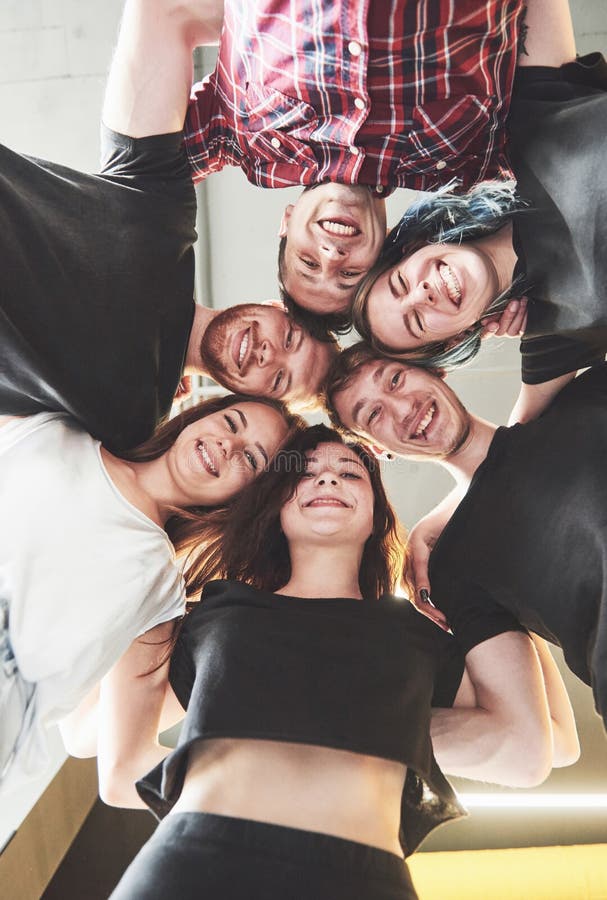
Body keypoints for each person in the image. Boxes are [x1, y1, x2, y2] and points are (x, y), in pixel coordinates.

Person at [71, 425, 577, 899]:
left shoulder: (420, 638)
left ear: (379, 512)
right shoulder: (209, 614)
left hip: (360, 876)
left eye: (350, 471)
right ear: (277, 507)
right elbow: (110, 762)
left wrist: (465, 584)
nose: (328, 477)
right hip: (196, 860)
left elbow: (544, 746)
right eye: (305, 474)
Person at [0, 0, 335, 455]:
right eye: (290, 338)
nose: (267, 353)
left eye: (278, 379)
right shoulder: (162, 209)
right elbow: (165, 11)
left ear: (254, 399)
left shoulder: (128, 429)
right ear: (276, 306)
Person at [0, 394, 301, 789]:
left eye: (251, 459)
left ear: (246, 500)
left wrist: (278, 789)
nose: (229, 444)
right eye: (231, 423)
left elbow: (114, 758)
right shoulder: (57, 431)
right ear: (201, 414)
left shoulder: (160, 590)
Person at [184, 0, 526, 323]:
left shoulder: (235, 133)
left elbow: (140, 180)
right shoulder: (471, 160)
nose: (332, 257)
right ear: (386, 244)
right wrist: (509, 290)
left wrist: (175, 348)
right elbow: (560, 182)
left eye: (308, 262)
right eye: (349, 275)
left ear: (286, 223)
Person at [326, 341, 607, 729]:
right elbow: (529, 731)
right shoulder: (446, 567)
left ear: (435, 368)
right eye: (374, 414)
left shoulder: (586, 395)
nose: (405, 409)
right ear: (377, 448)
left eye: (395, 379)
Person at [351, 0, 607, 425]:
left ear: (415, 248)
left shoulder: (521, 128)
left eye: (400, 284)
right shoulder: (554, 333)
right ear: (460, 336)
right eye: (417, 322)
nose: (421, 295)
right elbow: (505, 457)